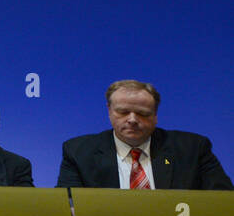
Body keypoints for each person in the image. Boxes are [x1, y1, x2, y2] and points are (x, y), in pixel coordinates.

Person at [57, 80, 233, 190]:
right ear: (109, 111)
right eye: (123, 112)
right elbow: (66, 206)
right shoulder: (79, 151)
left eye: (142, 113)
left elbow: (222, 201)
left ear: (155, 115)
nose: (132, 119)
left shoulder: (192, 148)